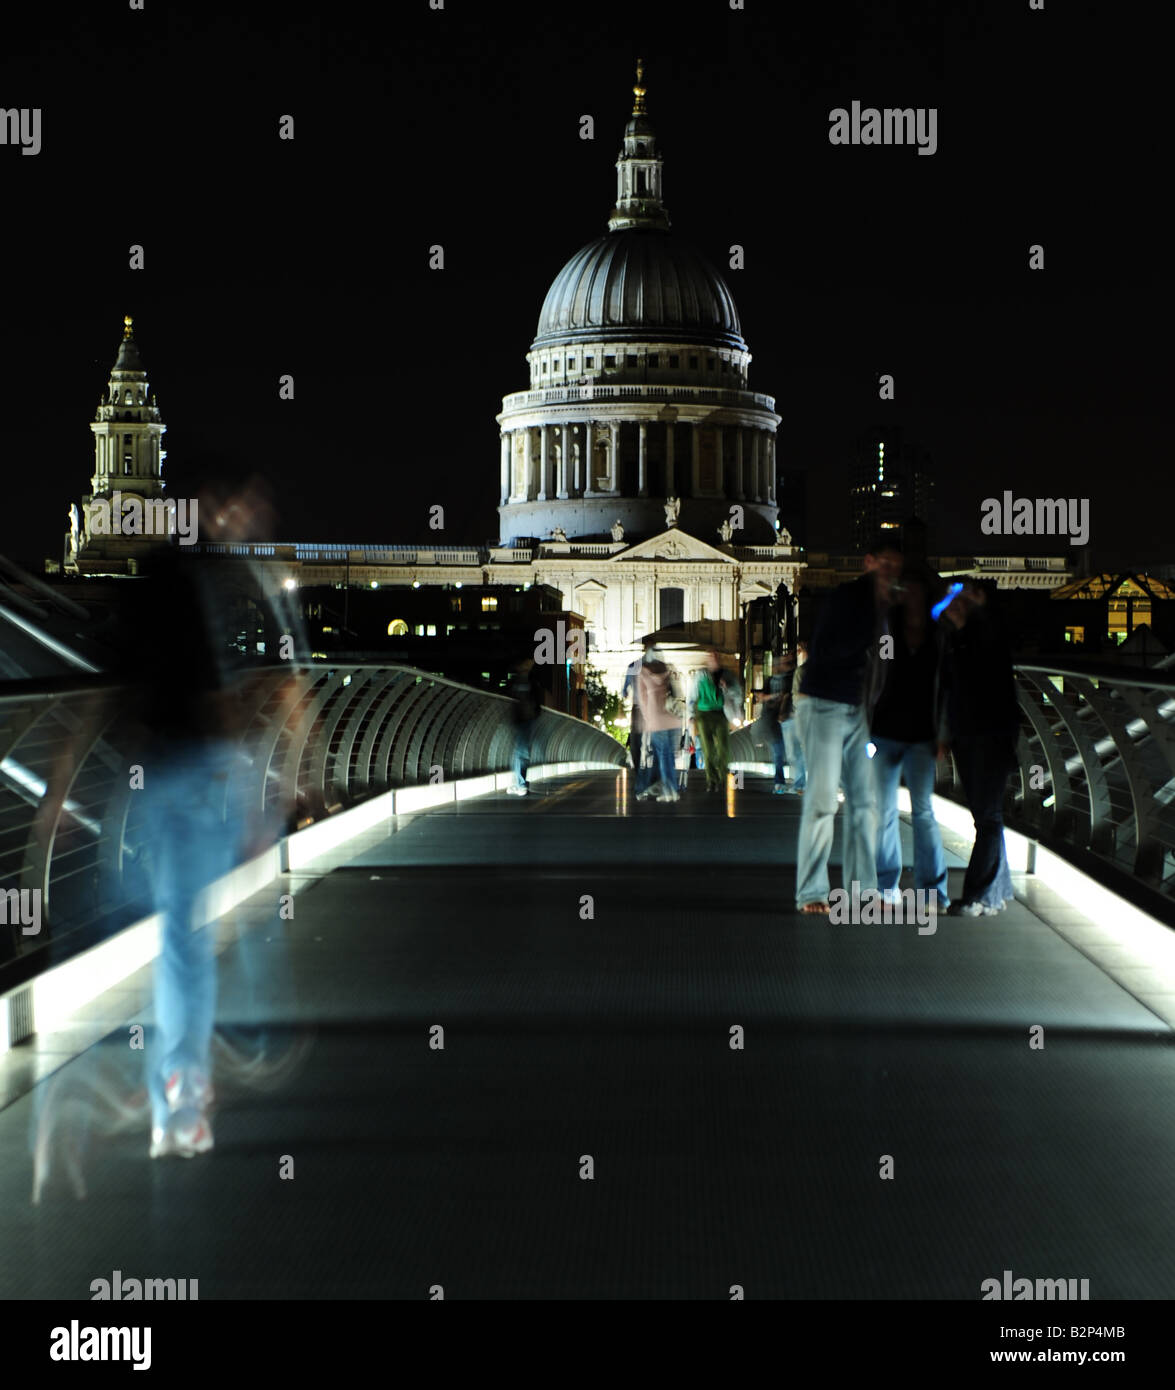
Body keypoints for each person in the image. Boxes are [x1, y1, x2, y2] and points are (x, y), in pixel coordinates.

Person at [794, 537, 901, 914]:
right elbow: (826, 651)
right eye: (884, 564)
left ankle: (864, 891)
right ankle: (811, 893)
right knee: (823, 802)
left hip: (855, 709)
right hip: (823, 704)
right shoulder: (847, 599)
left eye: (895, 567)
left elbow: (885, 661)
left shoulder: (882, 609)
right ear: (869, 562)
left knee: (864, 803)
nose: (890, 573)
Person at [869, 569, 951, 912]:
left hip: (922, 735)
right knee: (884, 812)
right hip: (885, 731)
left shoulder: (939, 635)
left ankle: (931, 891)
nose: (913, 599)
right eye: (909, 592)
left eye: (918, 593)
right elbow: (871, 675)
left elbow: (946, 687)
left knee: (923, 812)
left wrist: (943, 734)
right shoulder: (887, 629)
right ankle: (887, 885)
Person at [940, 580, 1019, 915]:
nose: (952, 605)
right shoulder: (957, 639)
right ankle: (995, 892)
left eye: (959, 602)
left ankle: (977, 894)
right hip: (971, 734)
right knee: (987, 816)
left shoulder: (982, 633)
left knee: (987, 816)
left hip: (989, 735)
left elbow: (997, 630)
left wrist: (982, 604)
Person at [688, 650, 739, 793]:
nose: (714, 659)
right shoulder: (700, 675)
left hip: (721, 713)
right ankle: (712, 781)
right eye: (711, 656)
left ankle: (723, 778)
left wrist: (726, 688)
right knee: (707, 749)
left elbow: (737, 694)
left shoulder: (727, 675)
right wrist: (691, 715)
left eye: (716, 656)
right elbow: (692, 695)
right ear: (707, 660)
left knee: (724, 748)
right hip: (704, 714)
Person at [636, 658, 682, 803]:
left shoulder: (643, 673)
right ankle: (670, 789)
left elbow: (643, 701)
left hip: (657, 721)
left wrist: (647, 720)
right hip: (673, 719)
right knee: (669, 757)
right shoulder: (668, 671)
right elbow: (678, 694)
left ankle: (668, 791)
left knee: (662, 757)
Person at [506, 656, 544, 795]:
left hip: (525, 719)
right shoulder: (526, 681)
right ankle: (520, 783)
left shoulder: (526, 681)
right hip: (521, 719)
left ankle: (519, 783)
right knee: (521, 751)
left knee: (521, 751)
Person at [755, 671, 788, 792]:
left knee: (782, 753)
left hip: (785, 719)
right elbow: (761, 697)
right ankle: (780, 783)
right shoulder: (769, 680)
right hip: (774, 722)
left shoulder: (789, 678)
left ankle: (782, 784)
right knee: (778, 753)